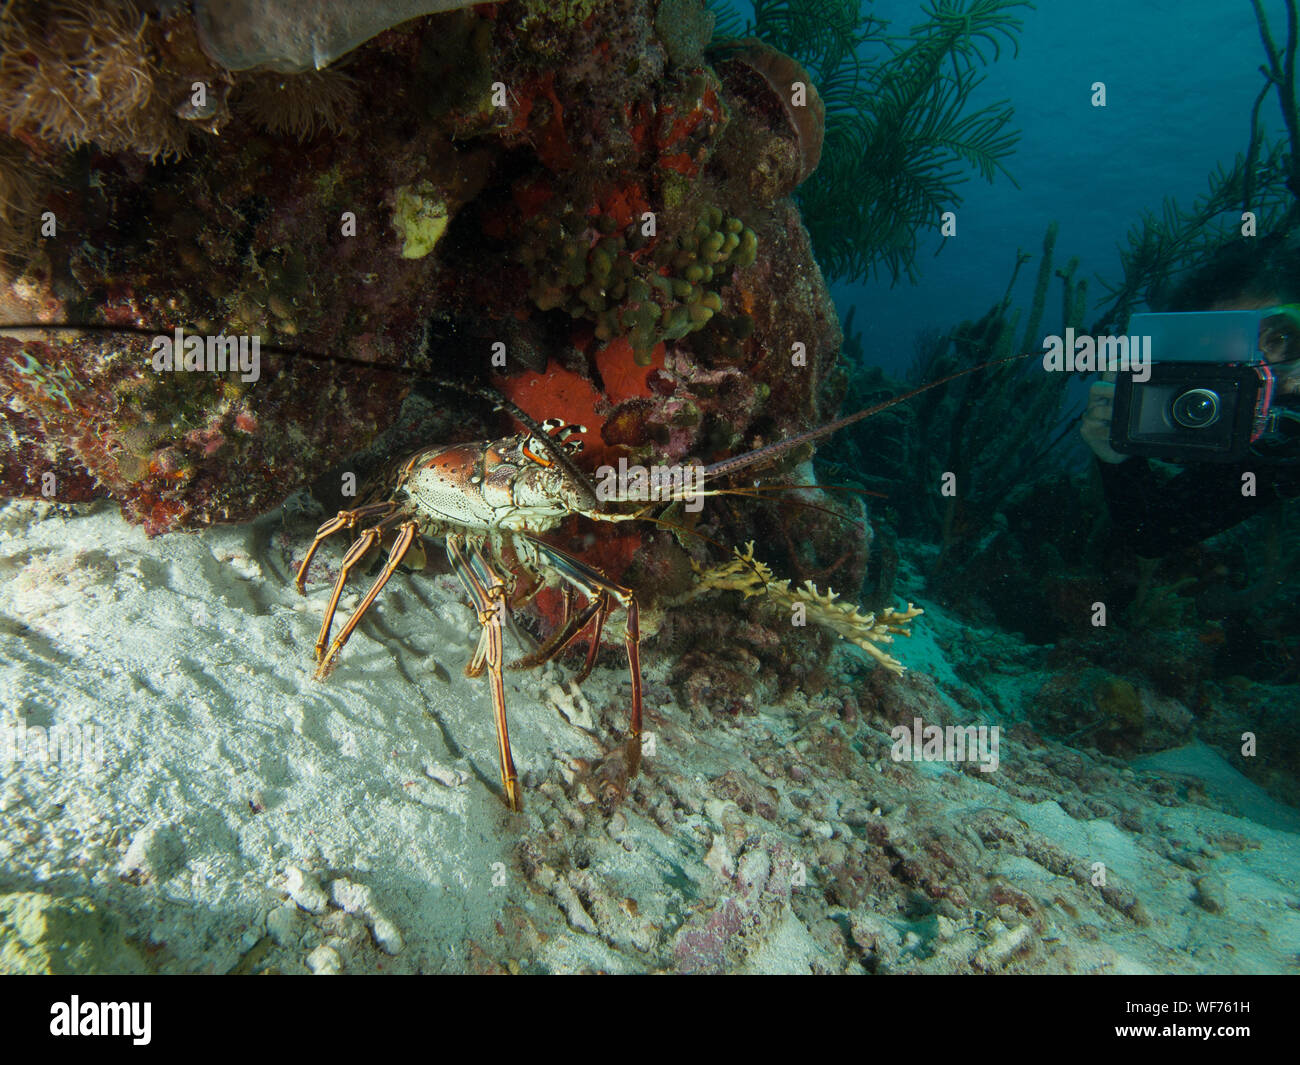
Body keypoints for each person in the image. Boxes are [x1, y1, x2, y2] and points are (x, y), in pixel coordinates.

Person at [1080, 240, 1300, 557]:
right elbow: (1154, 532)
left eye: (1280, 338)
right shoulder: (1264, 448)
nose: (1261, 372)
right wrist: (1119, 456)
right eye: (1229, 352)